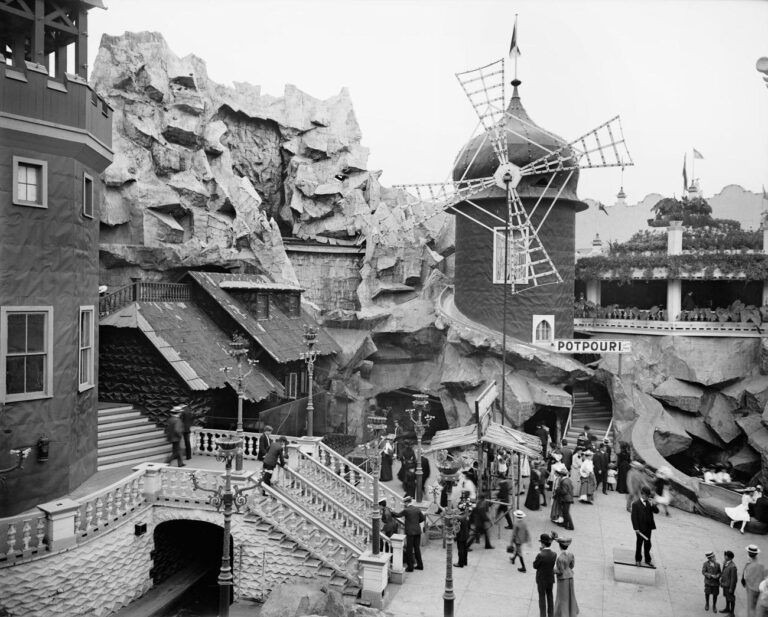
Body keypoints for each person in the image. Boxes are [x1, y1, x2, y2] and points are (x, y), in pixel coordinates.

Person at [393, 495, 425, 572]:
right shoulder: (417, 509)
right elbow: (423, 518)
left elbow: (397, 515)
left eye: (404, 503)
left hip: (410, 532)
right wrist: (416, 523)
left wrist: (391, 512)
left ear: (407, 502)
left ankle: (410, 567)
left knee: (409, 550)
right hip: (417, 531)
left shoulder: (406, 510)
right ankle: (420, 565)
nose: (404, 504)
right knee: (417, 548)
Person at [631, 486, 659, 567]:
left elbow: (657, 511)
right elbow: (633, 517)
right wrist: (636, 528)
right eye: (647, 495)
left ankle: (648, 560)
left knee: (648, 544)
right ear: (642, 494)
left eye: (649, 496)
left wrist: (653, 504)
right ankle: (638, 559)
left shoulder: (649, 503)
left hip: (648, 528)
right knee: (639, 544)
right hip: (640, 529)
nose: (648, 497)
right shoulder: (635, 504)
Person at [554, 536, 579, 617]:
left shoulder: (560, 558)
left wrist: (553, 570)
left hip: (563, 579)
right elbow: (572, 565)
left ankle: (563, 613)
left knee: (562, 597)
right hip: (570, 577)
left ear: (560, 546)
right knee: (571, 595)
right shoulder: (571, 554)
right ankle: (572, 611)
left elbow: (560, 571)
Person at [534, 533, 558, 617]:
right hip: (550, 578)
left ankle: (543, 615)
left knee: (542, 597)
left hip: (541, 579)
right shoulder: (554, 554)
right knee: (550, 596)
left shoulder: (540, 555)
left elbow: (535, 566)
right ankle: (551, 614)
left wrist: (541, 552)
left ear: (543, 544)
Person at [743, 545, 765, 617]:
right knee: (754, 605)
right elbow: (763, 577)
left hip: (751, 589)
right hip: (758, 589)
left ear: (748, 553)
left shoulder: (749, 565)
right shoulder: (761, 564)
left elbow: (746, 577)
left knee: (751, 608)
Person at [554, 466, 575, 531]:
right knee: (564, 512)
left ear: (561, 475)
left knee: (566, 513)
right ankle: (565, 524)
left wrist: (557, 490)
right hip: (569, 498)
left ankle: (571, 526)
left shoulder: (564, 481)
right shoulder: (568, 480)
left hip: (566, 499)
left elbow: (564, 491)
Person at [721, 550, 738, 617]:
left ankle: (732, 613)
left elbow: (733, 579)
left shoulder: (733, 567)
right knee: (727, 597)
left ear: (729, 557)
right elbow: (723, 572)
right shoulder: (726, 563)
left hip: (729, 586)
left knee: (731, 598)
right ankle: (727, 608)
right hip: (725, 584)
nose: (724, 556)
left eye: (726, 556)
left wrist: (731, 588)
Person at [454, 500, 471, 568]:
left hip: (461, 535)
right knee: (465, 549)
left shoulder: (459, 517)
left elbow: (456, 527)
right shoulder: (466, 515)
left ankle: (460, 563)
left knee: (460, 550)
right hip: (466, 534)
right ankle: (465, 561)